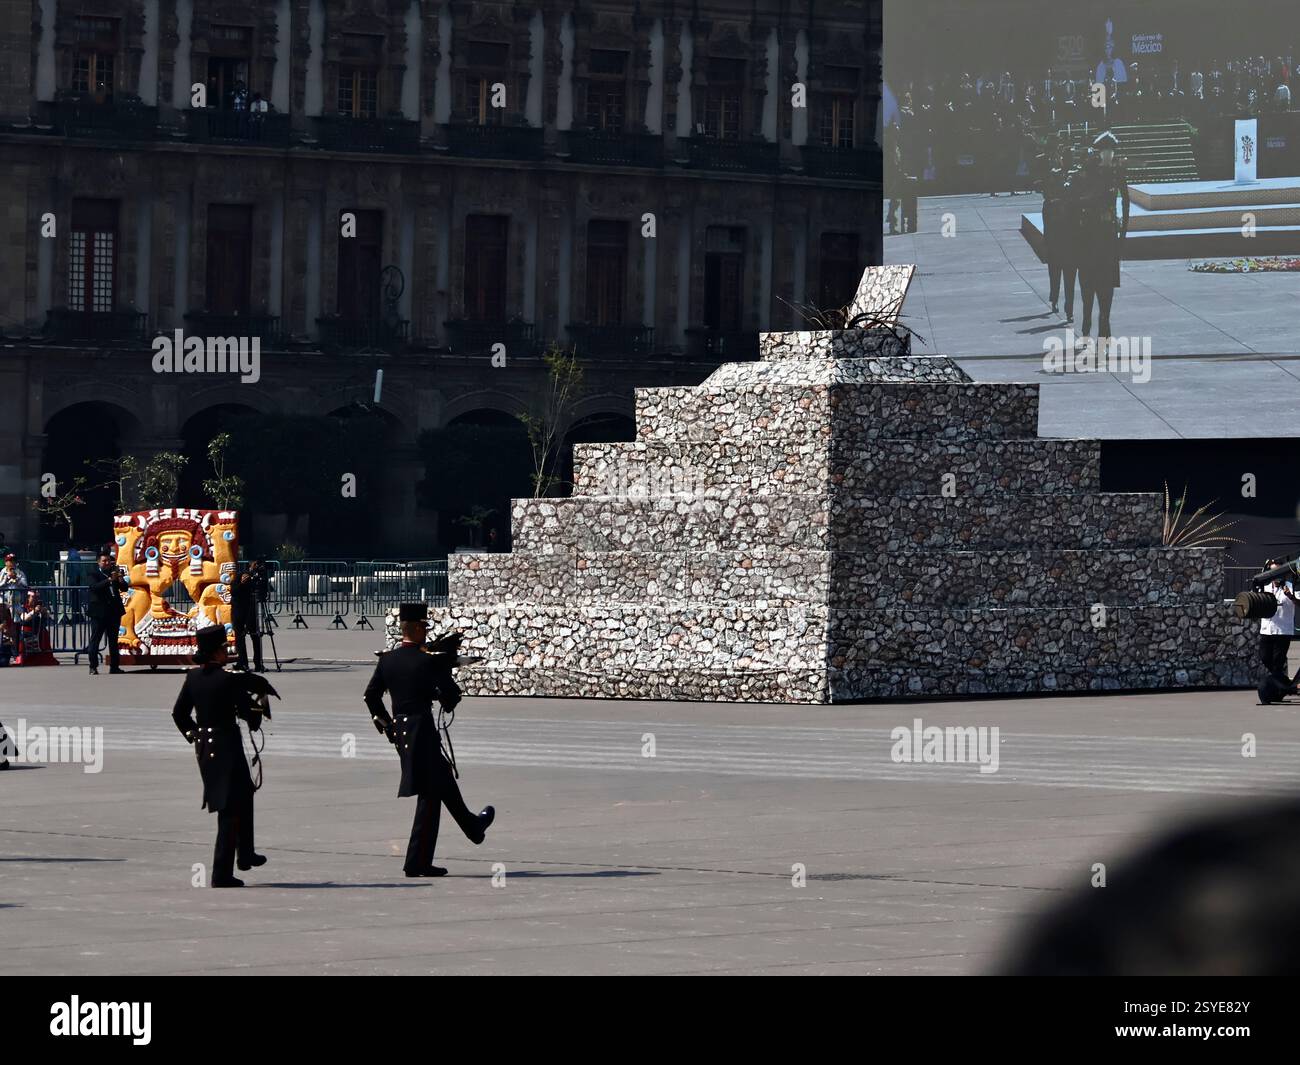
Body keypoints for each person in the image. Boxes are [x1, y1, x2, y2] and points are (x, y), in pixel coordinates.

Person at [363, 603, 494, 877]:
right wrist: (443, 689)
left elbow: (371, 697)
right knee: (430, 794)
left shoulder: (387, 660)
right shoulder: (427, 660)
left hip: (403, 734)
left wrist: (388, 728)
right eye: (424, 627)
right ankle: (417, 862)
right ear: (419, 628)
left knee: (441, 780)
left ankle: (473, 827)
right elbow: (451, 696)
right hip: (423, 731)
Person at [170, 625, 270, 888]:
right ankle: (221, 873)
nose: (227, 652)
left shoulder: (192, 677)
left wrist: (195, 736)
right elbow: (250, 715)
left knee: (244, 794)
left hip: (207, 747)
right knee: (229, 807)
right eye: (225, 648)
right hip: (226, 746)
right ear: (216, 652)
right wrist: (260, 705)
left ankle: (245, 853)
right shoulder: (228, 679)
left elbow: (179, 714)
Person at [1075, 133, 1129, 342]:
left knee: (1107, 286)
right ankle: (1087, 320)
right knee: (1088, 286)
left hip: (1108, 236)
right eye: (1105, 150)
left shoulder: (1117, 173)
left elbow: (1125, 203)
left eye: (1111, 150)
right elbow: (1079, 201)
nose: (1108, 154)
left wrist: (1123, 232)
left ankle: (1104, 325)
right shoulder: (1088, 172)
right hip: (1090, 234)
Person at [1258, 562, 1298, 703]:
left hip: (1282, 631)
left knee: (1277, 663)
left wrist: (1291, 596)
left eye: (1278, 572)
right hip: (1267, 629)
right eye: (1273, 573)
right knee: (1264, 657)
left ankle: (1280, 688)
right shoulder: (1265, 587)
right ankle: (1285, 685)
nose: (1275, 576)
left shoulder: (1291, 586)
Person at [86, 552, 129, 675]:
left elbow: (124, 588)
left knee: (113, 640)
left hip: (113, 611)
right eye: (104, 561)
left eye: (108, 561)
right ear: (98, 562)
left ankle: (114, 667)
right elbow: (94, 587)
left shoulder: (114, 572)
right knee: (95, 639)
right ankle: (93, 667)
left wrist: (120, 579)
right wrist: (109, 580)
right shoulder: (93, 573)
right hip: (99, 612)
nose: (107, 563)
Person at [230, 561, 266, 672]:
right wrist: (241, 583)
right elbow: (233, 591)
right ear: (250, 566)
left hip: (251, 610)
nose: (257, 567)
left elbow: (264, 594)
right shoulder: (241, 575)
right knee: (240, 637)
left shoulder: (258, 578)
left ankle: (258, 663)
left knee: (255, 636)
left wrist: (262, 581)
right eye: (255, 565)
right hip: (239, 610)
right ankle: (242, 663)